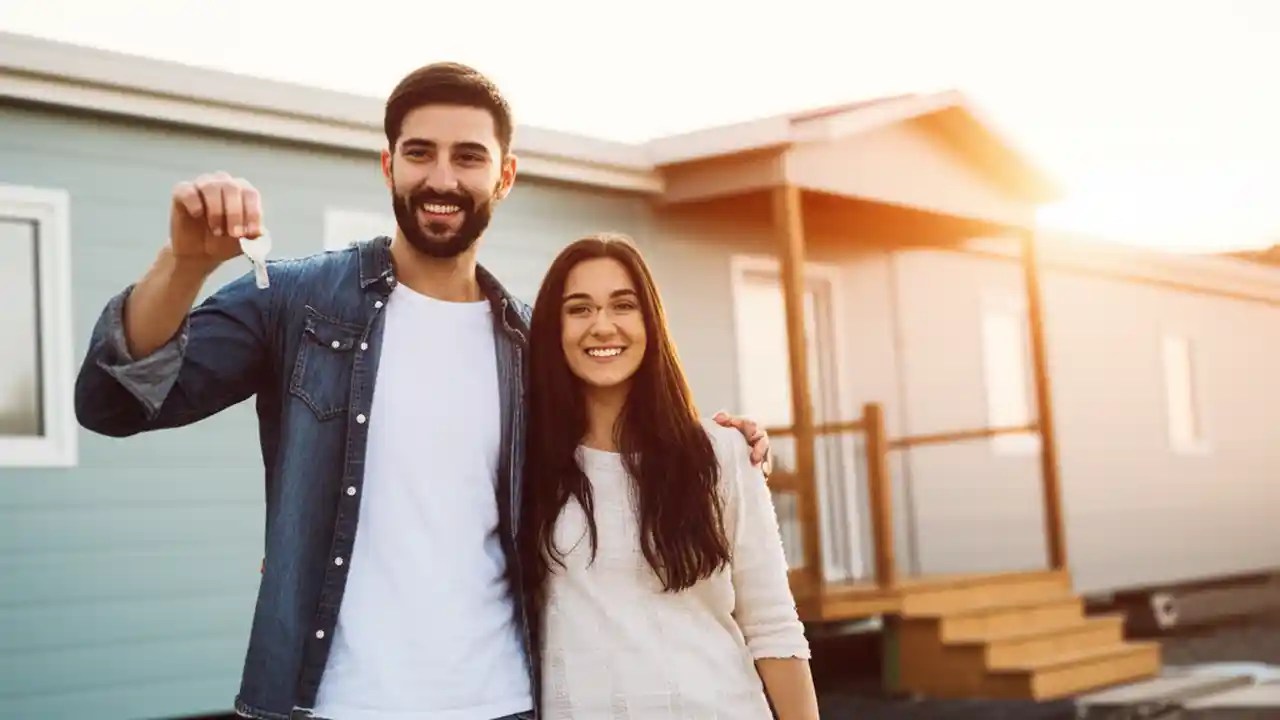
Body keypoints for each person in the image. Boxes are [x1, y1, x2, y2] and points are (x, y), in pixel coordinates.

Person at [72, 63, 770, 720]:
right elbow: (116, 401)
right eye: (419, 153)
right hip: (334, 701)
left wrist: (726, 443)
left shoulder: (532, 345)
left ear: (505, 177)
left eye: (468, 157)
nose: (442, 177)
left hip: (502, 699)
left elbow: (623, 433)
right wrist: (184, 265)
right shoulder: (298, 302)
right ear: (388, 166)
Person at [520, 234, 820, 720]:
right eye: (579, 309)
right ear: (554, 329)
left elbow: (772, 624)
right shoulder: (526, 464)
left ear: (650, 323)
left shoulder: (719, 454)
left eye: (623, 305)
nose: (602, 326)